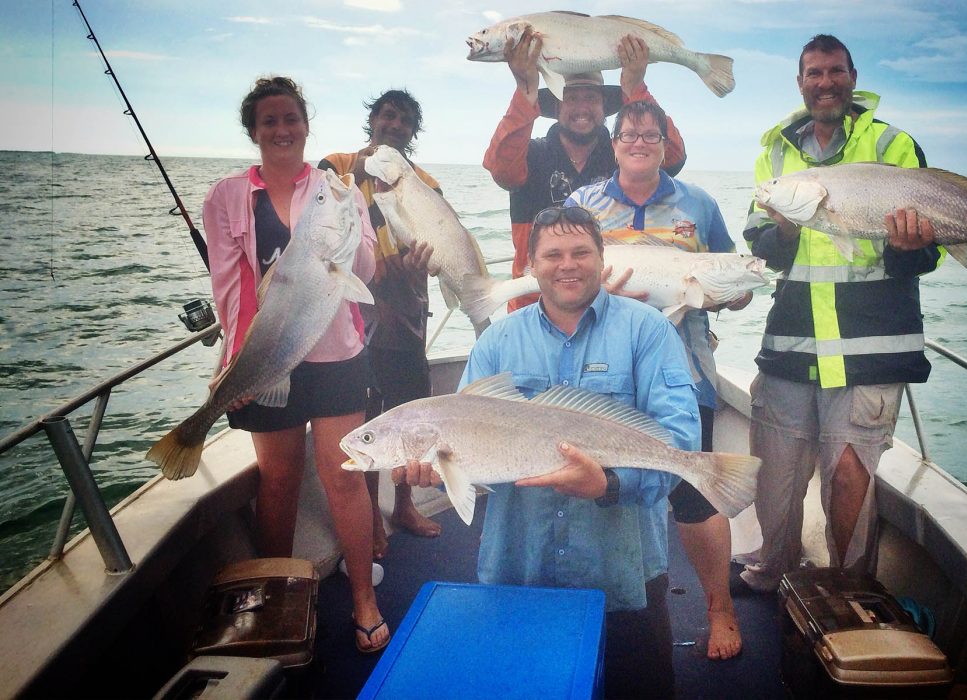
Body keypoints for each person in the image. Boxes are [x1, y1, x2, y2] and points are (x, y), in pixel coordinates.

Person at [396, 206, 699, 698]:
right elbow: (464, 443)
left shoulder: (648, 330)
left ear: (602, 261)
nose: (567, 264)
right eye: (552, 254)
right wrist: (437, 467)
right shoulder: (495, 342)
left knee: (641, 687)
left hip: (621, 569)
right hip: (522, 563)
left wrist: (610, 484)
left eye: (581, 252)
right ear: (530, 266)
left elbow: (679, 439)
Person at [740, 34, 942, 591]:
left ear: (853, 77)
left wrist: (911, 244)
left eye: (834, 72)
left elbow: (930, 253)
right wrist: (781, 227)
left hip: (871, 349)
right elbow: (759, 240)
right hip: (791, 348)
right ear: (800, 82)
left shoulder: (894, 144)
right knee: (775, 478)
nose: (824, 82)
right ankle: (772, 569)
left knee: (849, 479)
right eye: (813, 73)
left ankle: (845, 589)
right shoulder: (773, 153)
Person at [201, 76, 389, 652]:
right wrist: (233, 364)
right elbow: (229, 287)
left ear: (306, 125)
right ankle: (277, 601)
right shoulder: (228, 197)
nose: (282, 130)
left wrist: (353, 224)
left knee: (344, 479)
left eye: (291, 119)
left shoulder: (336, 190)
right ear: (254, 132)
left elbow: (369, 272)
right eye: (269, 122)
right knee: (278, 482)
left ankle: (364, 598)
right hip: (269, 354)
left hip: (336, 355)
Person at [565, 100, 751, 660]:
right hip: (603, 376)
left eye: (651, 135)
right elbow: (563, 276)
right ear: (614, 142)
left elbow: (731, 287)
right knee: (598, 490)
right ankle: (596, 608)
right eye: (629, 134)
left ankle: (720, 608)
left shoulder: (699, 203)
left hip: (684, 371)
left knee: (694, 495)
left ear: (666, 145)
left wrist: (734, 292)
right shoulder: (583, 203)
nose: (640, 142)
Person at [319, 89, 443, 554]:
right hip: (357, 312)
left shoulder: (425, 182)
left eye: (406, 119)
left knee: (410, 413)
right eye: (388, 114)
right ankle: (370, 517)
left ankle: (405, 505)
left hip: (407, 311)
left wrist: (419, 262)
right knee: (368, 415)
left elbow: (430, 243)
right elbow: (325, 228)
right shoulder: (336, 165)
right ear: (373, 118)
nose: (395, 123)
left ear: (413, 131)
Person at [483, 30, 687, 311]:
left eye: (591, 98)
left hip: (613, 303)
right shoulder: (530, 152)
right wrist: (524, 91)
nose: (582, 107)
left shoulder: (624, 153)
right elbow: (500, 170)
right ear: (556, 106)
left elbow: (673, 158)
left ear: (605, 106)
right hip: (536, 305)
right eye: (571, 98)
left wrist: (635, 87)